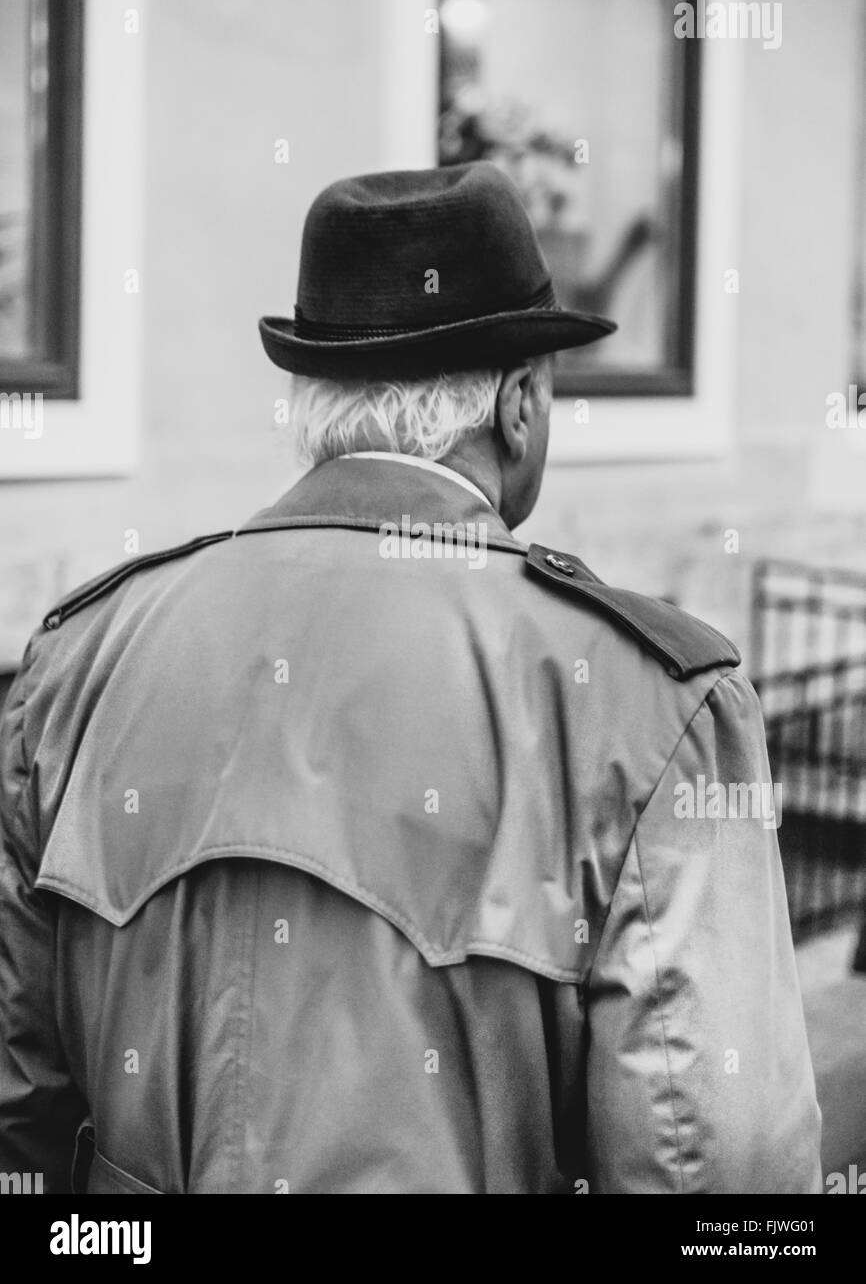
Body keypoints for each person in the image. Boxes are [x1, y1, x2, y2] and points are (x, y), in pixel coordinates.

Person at [0, 163, 821, 1194]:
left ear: (314, 404)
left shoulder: (77, 658)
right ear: (519, 405)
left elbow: (19, 1117)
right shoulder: (649, 706)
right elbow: (719, 1174)